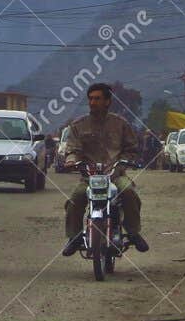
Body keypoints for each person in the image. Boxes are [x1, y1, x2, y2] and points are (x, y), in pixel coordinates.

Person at [61, 84, 149, 254]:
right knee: (75, 199)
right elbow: (73, 149)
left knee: (129, 192)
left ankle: (133, 232)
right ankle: (74, 236)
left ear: (107, 101)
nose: (93, 102)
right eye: (91, 98)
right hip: (89, 177)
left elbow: (132, 149)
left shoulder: (121, 124)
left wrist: (125, 162)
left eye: (97, 98)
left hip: (115, 175)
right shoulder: (78, 125)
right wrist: (72, 161)